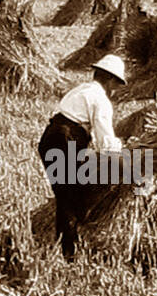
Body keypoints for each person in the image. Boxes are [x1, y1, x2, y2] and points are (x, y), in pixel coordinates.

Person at [37, 54, 126, 260]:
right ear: (110, 79)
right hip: (64, 141)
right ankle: (68, 253)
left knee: (66, 194)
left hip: (50, 139)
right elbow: (106, 142)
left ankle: (65, 246)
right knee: (71, 197)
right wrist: (123, 153)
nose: (116, 89)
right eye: (117, 84)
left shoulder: (80, 90)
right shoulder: (101, 100)